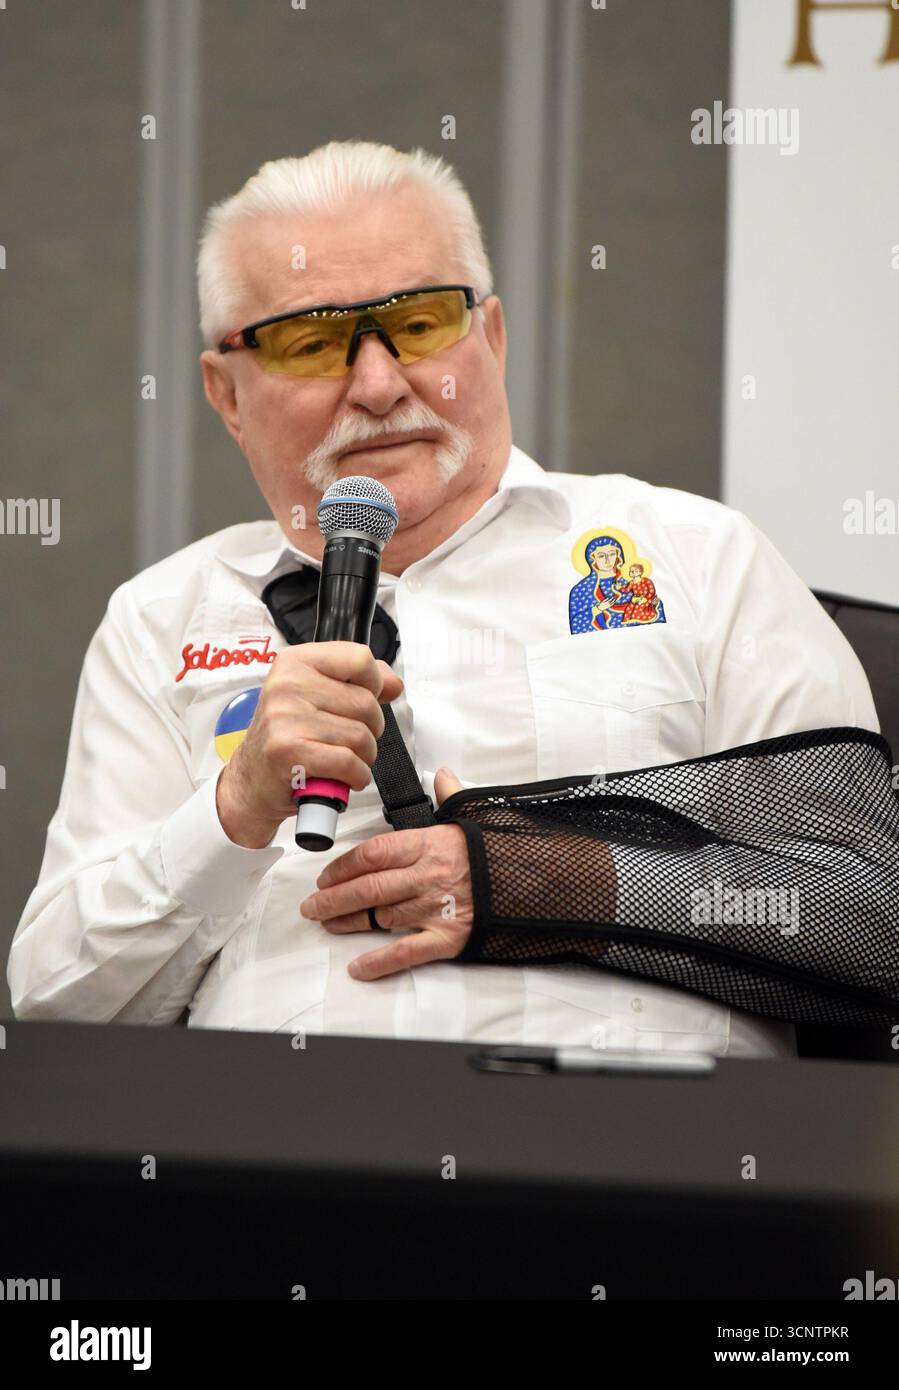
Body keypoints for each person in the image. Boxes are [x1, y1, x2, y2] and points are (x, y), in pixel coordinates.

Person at [7, 140, 879, 1056]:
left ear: (491, 338)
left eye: (419, 325)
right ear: (226, 393)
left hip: (637, 1147)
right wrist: (235, 807)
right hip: (282, 1153)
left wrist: (540, 882)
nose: (380, 386)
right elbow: (62, 1008)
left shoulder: (696, 554)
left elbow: (867, 914)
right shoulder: (161, 617)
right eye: (310, 344)